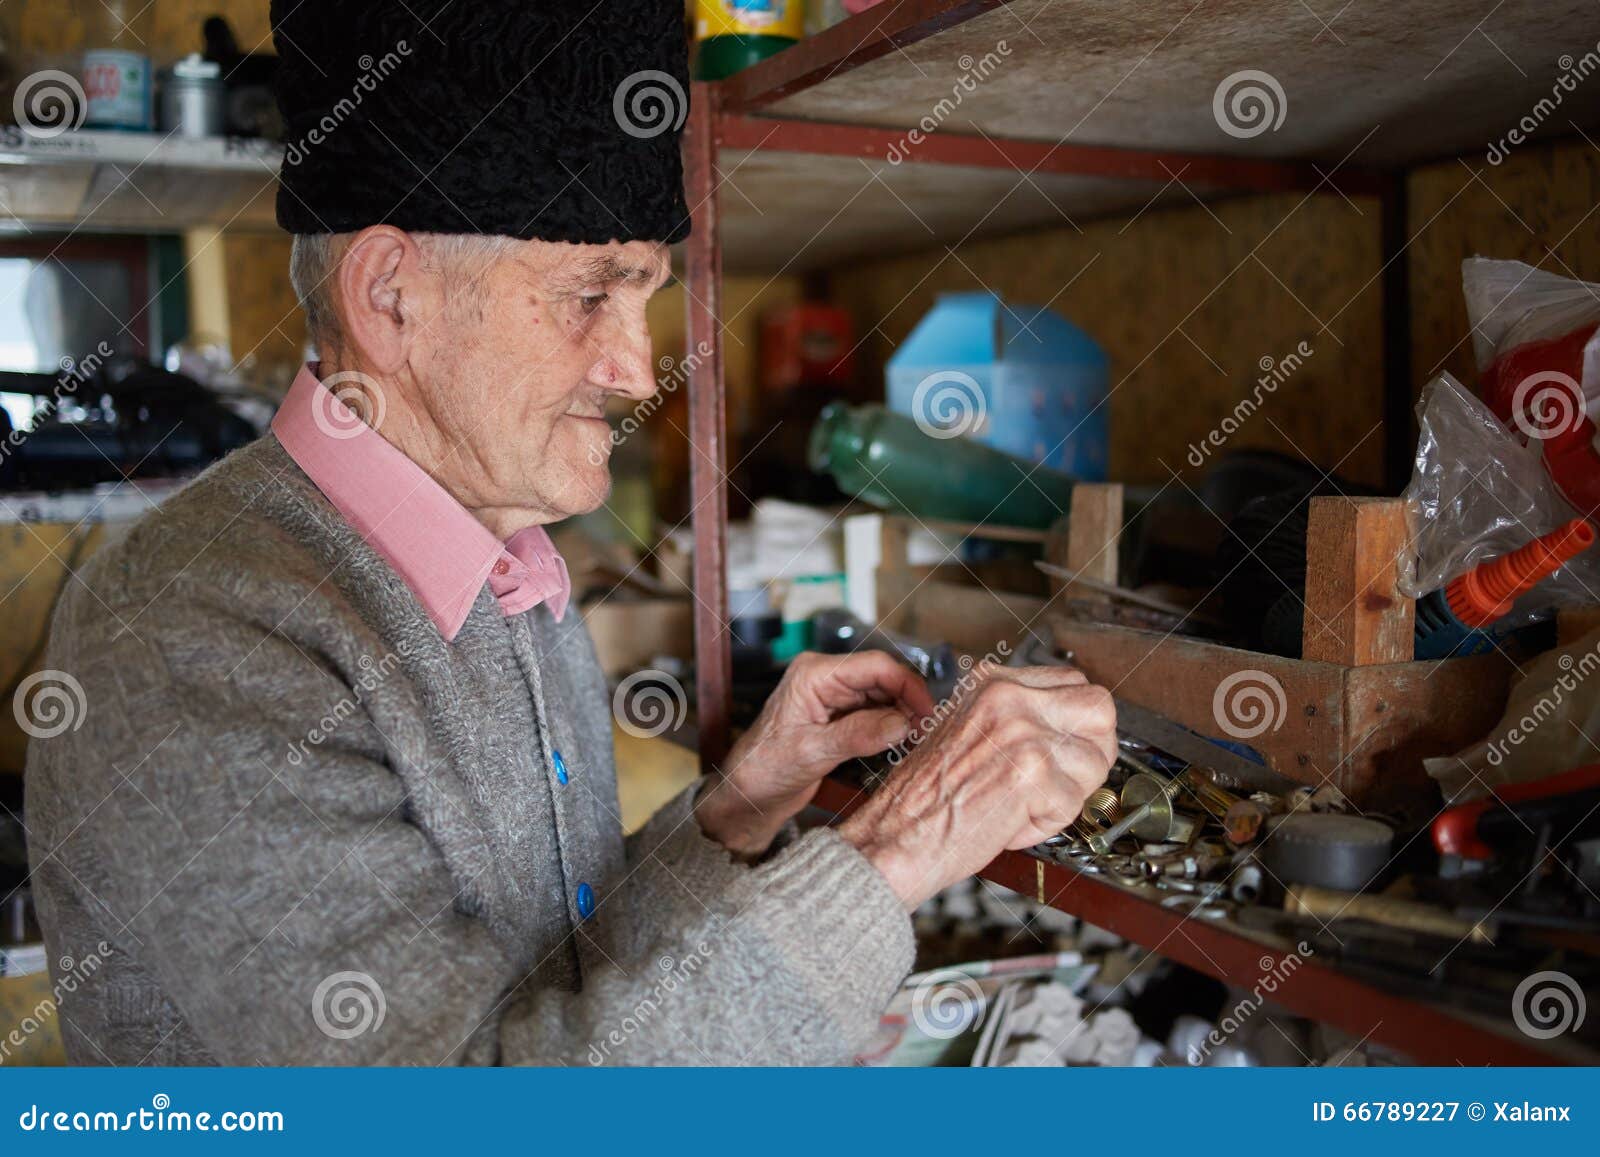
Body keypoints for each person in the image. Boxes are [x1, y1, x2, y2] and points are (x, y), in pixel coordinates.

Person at [23, 0, 1114, 1065]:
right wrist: (898, 845)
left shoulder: (503, 556)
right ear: (391, 295)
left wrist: (731, 814)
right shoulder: (184, 632)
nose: (639, 371)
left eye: (642, 297)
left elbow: (549, 977)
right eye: (592, 293)